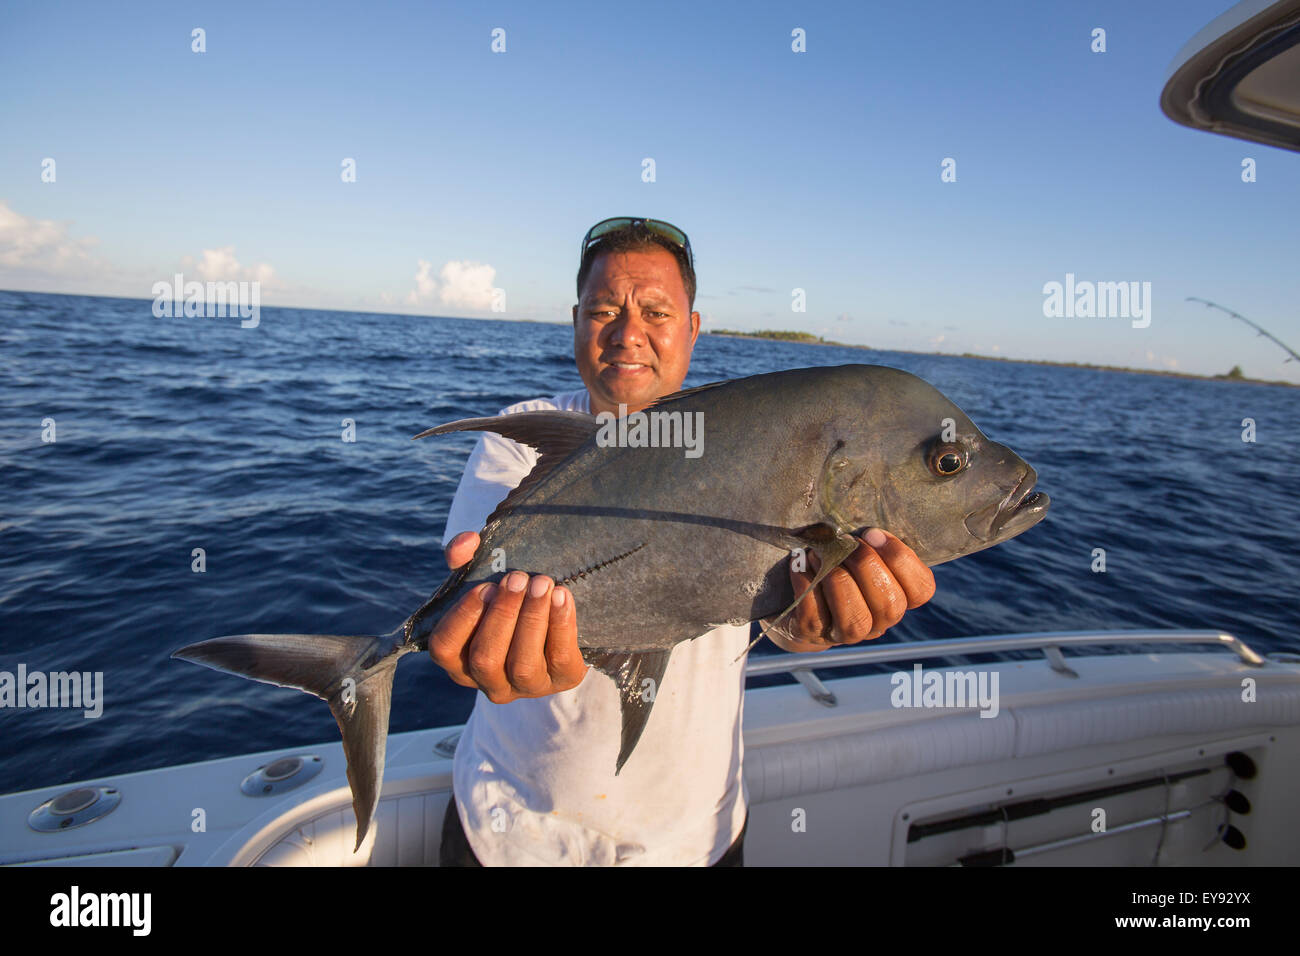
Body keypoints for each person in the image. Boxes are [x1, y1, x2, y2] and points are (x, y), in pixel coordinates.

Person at [430, 217, 936, 866]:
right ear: (576, 320)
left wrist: (811, 622)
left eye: (656, 311)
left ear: (693, 327)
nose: (627, 333)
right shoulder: (514, 439)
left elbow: (774, 613)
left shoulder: (754, 444)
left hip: (690, 838)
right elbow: (470, 610)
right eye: (604, 309)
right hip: (508, 831)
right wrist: (473, 649)